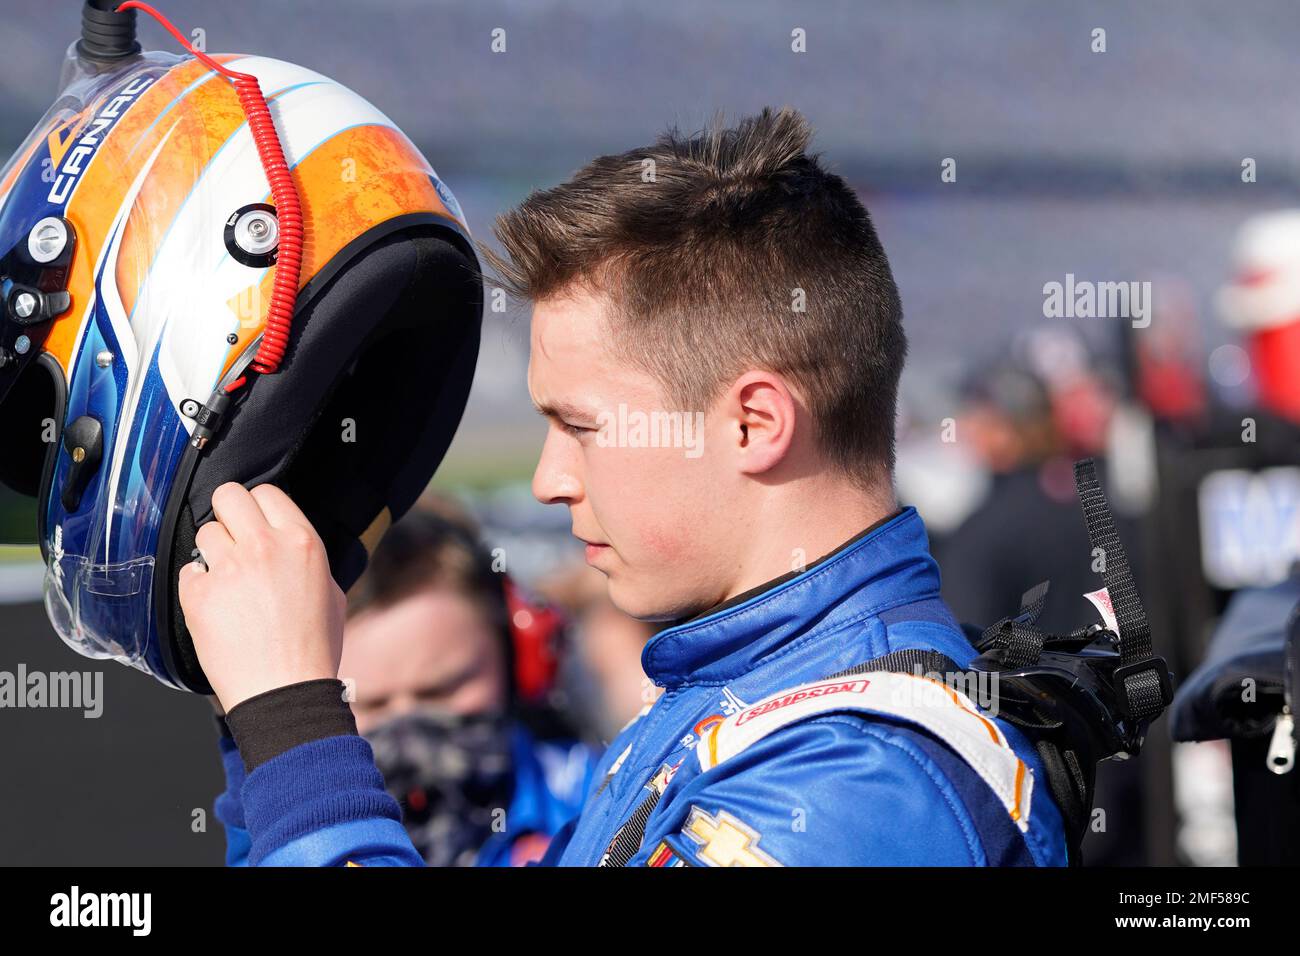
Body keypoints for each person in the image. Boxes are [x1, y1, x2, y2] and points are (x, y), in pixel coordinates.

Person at [181, 108, 1069, 866]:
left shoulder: (859, 781)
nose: (546, 481)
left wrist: (292, 720)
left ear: (754, 424)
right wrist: (258, 748)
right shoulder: (747, 705)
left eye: (579, 426)